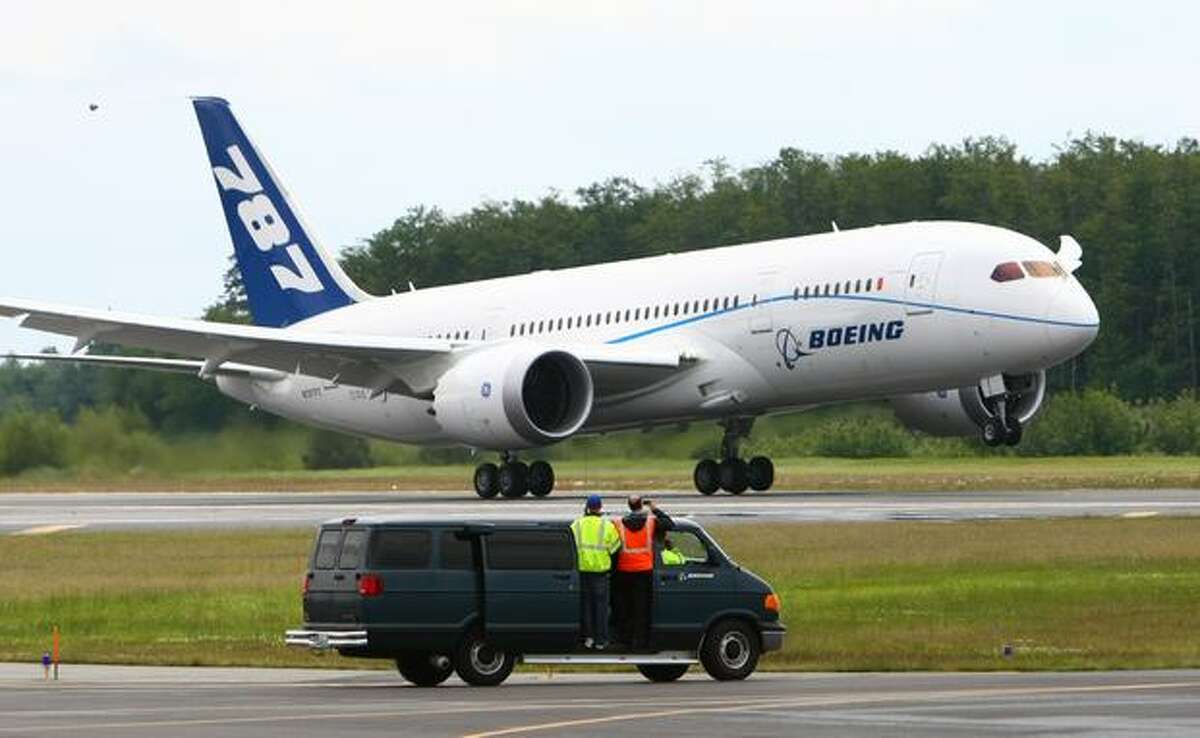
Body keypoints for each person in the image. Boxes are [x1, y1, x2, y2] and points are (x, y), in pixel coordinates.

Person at [612, 494, 674, 649]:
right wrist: (654, 508)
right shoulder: (651, 522)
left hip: (624, 570)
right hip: (644, 570)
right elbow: (669, 523)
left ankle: (625, 639)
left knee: (626, 608)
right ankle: (640, 641)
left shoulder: (618, 523)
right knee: (642, 608)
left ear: (629, 506)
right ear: (641, 505)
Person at [569, 494, 621, 649]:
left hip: (582, 572)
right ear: (600, 508)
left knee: (586, 607)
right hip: (600, 573)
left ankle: (588, 638)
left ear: (587, 508)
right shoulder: (607, 526)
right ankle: (601, 640)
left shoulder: (577, 524)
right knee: (601, 608)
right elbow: (615, 549)